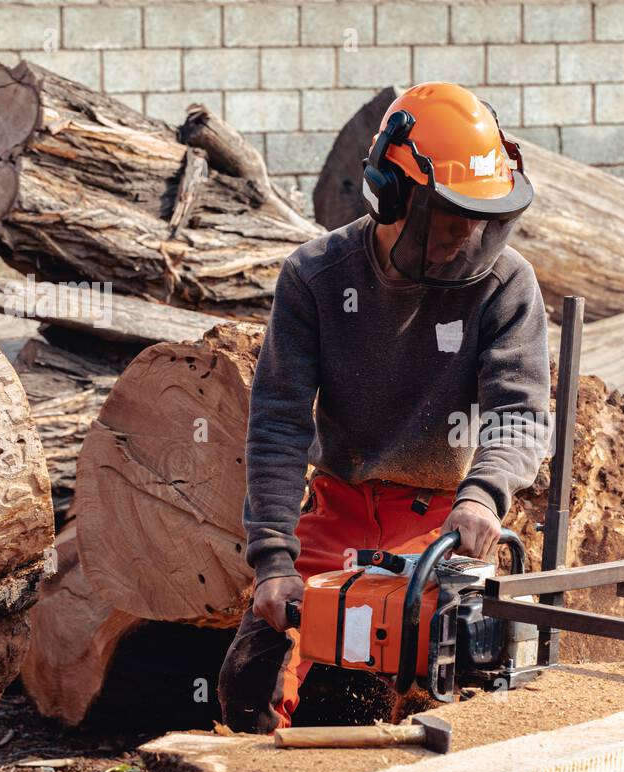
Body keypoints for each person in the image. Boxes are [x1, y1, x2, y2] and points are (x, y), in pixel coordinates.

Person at [218, 82, 551, 732]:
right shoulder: (316, 277)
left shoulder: (507, 286)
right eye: (453, 216)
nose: (470, 234)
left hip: (444, 518)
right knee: (252, 681)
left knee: (464, 664)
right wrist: (274, 561)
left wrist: (483, 497)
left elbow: (519, 413)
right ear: (395, 196)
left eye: (483, 217)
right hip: (339, 506)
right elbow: (280, 425)